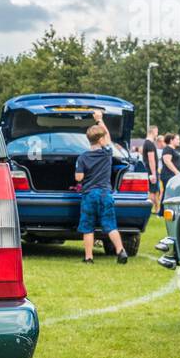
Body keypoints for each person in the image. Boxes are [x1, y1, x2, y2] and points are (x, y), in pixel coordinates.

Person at [75, 110, 128, 264]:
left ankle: (89, 257)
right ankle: (120, 251)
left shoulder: (83, 157)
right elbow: (108, 136)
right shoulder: (107, 153)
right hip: (105, 194)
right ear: (100, 140)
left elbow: (79, 178)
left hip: (89, 195)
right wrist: (99, 119)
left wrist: (82, 175)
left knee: (88, 227)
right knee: (110, 225)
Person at [141, 124, 159, 211]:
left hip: (149, 170)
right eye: (157, 132)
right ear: (153, 131)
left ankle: (156, 210)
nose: (157, 134)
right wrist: (154, 174)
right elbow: (151, 160)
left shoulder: (147, 143)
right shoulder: (149, 144)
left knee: (154, 191)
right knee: (152, 192)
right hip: (151, 171)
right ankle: (148, 210)